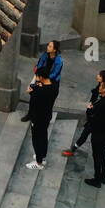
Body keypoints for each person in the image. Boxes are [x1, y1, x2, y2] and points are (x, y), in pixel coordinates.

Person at [25, 41, 62, 170]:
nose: (48, 47)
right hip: (46, 114)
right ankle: (42, 156)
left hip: (38, 117)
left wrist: (33, 90)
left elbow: (35, 99)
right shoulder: (50, 89)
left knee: (37, 137)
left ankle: (39, 161)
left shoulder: (40, 90)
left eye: (50, 46)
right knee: (43, 135)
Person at [81, 70, 105, 188]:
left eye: (101, 87)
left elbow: (93, 119)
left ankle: (97, 179)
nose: (99, 88)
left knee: (97, 156)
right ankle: (103, 176)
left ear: (104, 90)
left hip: (99, 134)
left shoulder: (100, 104)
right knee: (103, 155)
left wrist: (89, 109)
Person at [21, 40, 63, 122]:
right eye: (48, 45)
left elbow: (55, 74)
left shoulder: (59, 60)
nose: (47, 47)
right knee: (33, 96)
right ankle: (30, 114)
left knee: (49, 101)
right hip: (41, 77)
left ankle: (47, 117)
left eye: (50, 46)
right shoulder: (45, 55)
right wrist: (38, 75)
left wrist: (45, 79)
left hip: (51, 82)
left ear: (54, 50)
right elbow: (39, 65)